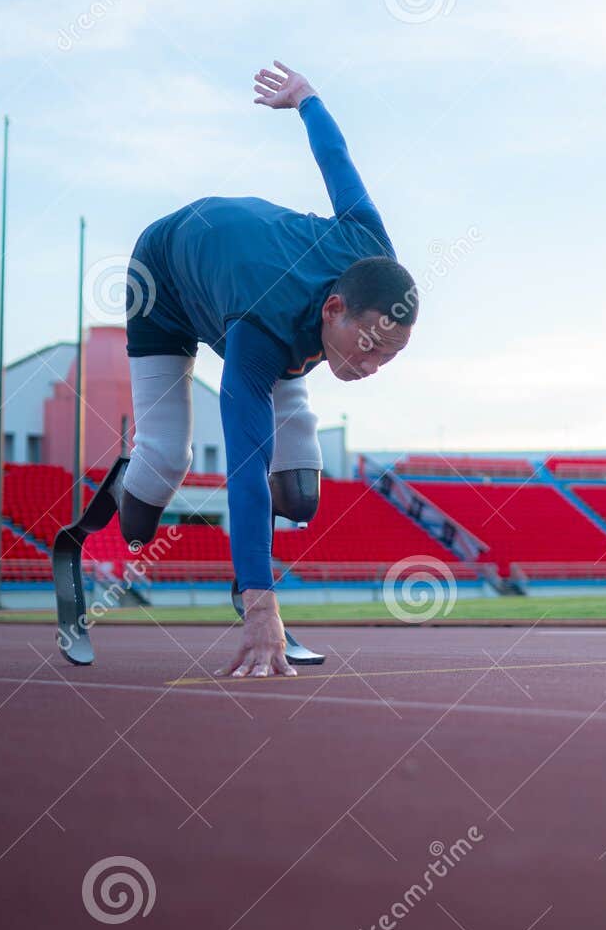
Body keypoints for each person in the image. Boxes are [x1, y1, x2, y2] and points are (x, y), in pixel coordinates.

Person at [119, 60, 416, 677]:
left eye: (387, 356)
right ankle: (109, 528)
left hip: (252, 281)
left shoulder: (371, 247)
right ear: (334, 309)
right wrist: (260, 604)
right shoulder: (261, 333)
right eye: (367, 348)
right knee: (167, 459)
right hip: (164, 277)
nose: (370, 367)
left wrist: (307, 97)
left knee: (301, 490)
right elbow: (244, 469)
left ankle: (246, 566)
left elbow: (337, 159)